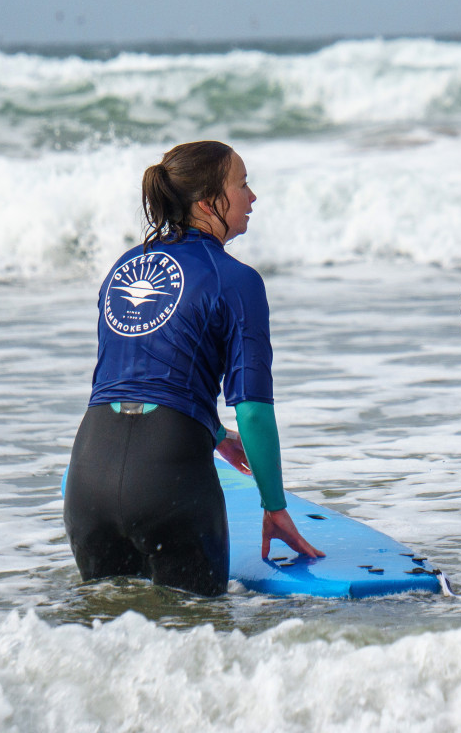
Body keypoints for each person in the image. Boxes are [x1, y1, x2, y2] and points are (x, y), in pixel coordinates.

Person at [64, 140, 322, 596]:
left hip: (89, 477)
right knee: (201, 639)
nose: (252, 197)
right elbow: (254, 411)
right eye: (242, 184)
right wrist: (274, 507)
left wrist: (216, 435)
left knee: (105, 639)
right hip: (170, 482)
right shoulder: (237, 279)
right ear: (208, 203)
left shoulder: (125, 267)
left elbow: (139, 377)